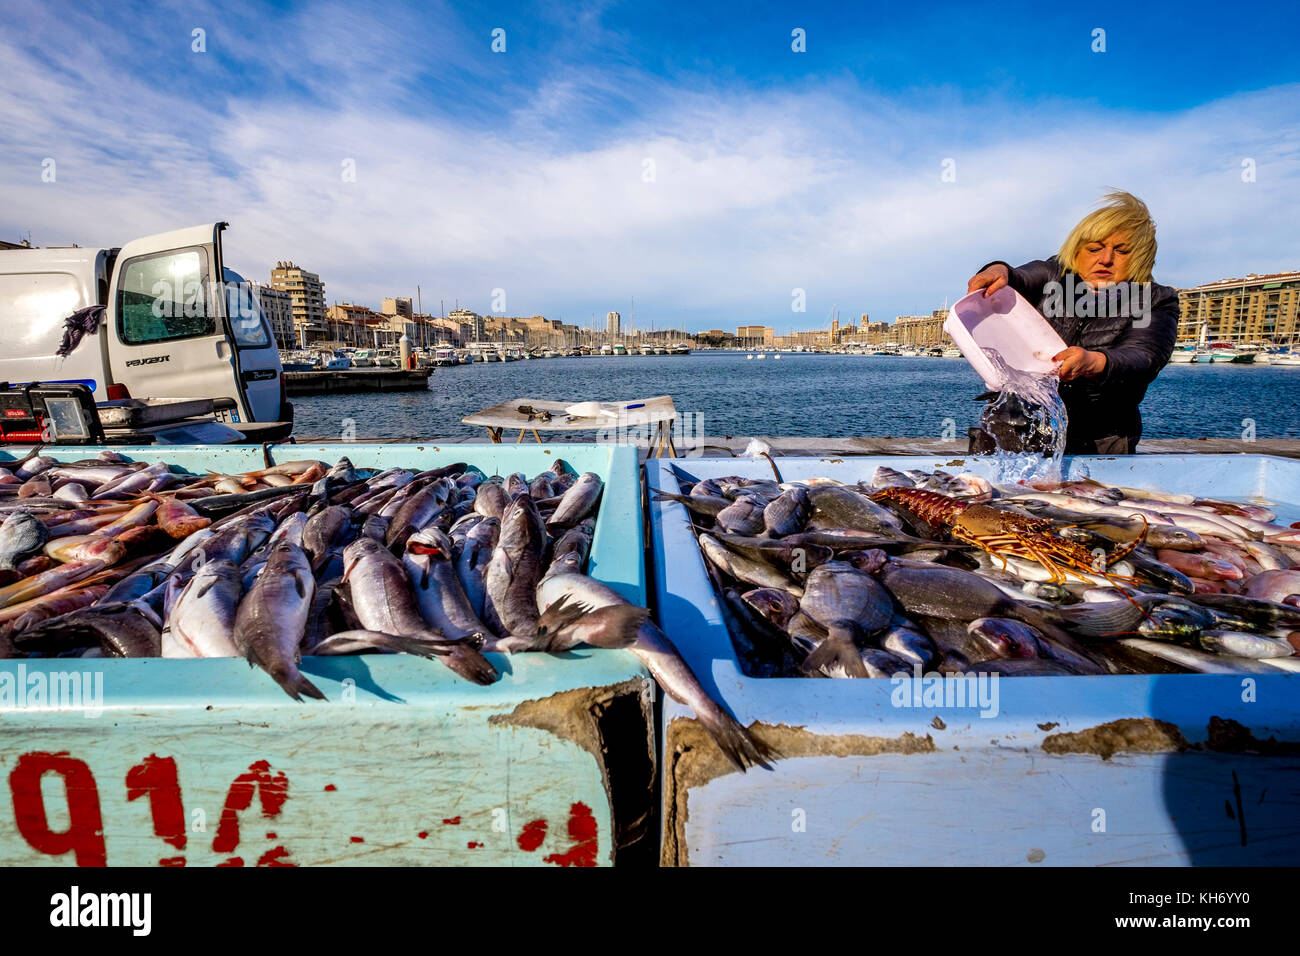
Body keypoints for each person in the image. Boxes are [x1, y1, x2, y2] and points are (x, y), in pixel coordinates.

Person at [966, 190, 1179, 454]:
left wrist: (1095, 361)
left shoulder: (1155, 299)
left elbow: (1144, 358)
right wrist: (997, 270)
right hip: (1016, 424)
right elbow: (1018, 277)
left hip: (1100, 437)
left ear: (1140, 258)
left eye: (1122, 251)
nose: (1105, 259)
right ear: (1076, 250)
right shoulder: (1053, 274)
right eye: (1094, 249)